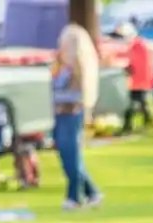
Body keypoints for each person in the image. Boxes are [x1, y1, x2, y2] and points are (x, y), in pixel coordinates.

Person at [51, 23, 102, 211]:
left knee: (71, 155)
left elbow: (73, 95)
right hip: (60, 114)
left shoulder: (78, 70)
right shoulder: (63, 66)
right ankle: (92, 192)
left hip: (70, 114)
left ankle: (74, 196)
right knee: (69, 156)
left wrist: (53, 95)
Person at [119, 23, 153, 135]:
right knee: (141, 103)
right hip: (139, 81)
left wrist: (128, 69)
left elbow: (137, 64)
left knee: (134, 103)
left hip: (139, 81)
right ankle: (147, 124)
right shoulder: (138, 45)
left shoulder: (138, 46)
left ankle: (129, 126)